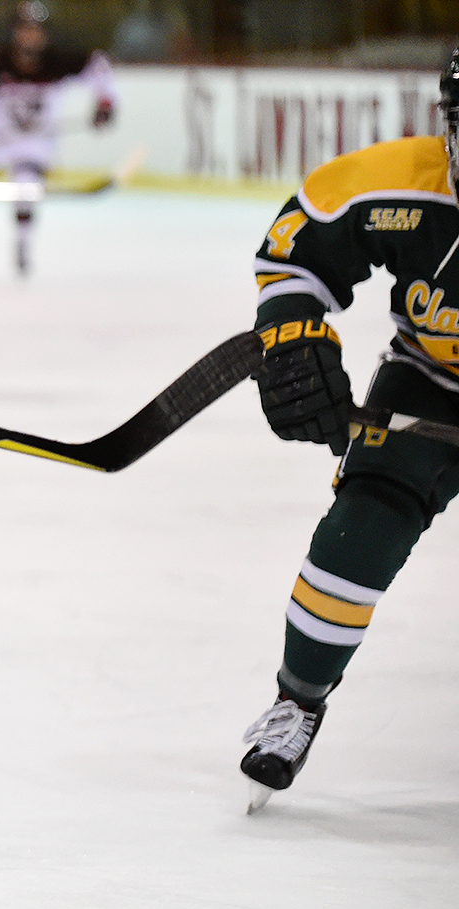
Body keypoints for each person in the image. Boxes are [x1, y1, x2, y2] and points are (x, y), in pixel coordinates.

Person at [237, 48, 459, 813]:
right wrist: (292, 328)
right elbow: (296, 250)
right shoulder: (399, 182)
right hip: (431, 381)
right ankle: (298, 701)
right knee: (355, 536)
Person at [0, 0, 118, 276]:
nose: (30, 35)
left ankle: (23, 244)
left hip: (34, 140)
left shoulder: (60, 61)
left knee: (26, 185)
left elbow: (99, 67)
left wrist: (105, 104)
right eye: (24, 29)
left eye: (36, 30)